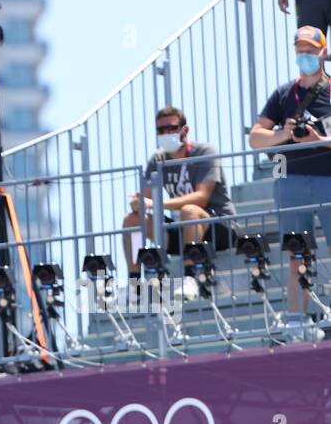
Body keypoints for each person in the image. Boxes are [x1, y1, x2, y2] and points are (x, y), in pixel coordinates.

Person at [249, 26, 331, 318]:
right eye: (300, 51)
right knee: (297, 254)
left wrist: (318, 140)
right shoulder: (284, 93)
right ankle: (297, 321)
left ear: (323, 52)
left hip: (327, 180)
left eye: (310, 51)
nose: (304, 56)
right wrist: (282, 135)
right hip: (290, 181)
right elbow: (256, 137)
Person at [123, 106, 236, 286]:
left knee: (190, 210)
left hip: (218, 226)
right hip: (183, 228)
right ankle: (134, 283)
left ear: (185, 129)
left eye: (172, 128)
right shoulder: (157, 160)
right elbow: (145, 202)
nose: (166, 133)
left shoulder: (205, 152)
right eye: (161, 130)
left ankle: (189, 278)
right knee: (132, 220)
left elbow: (201, 197)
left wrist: (154, 204)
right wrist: (138, 204)